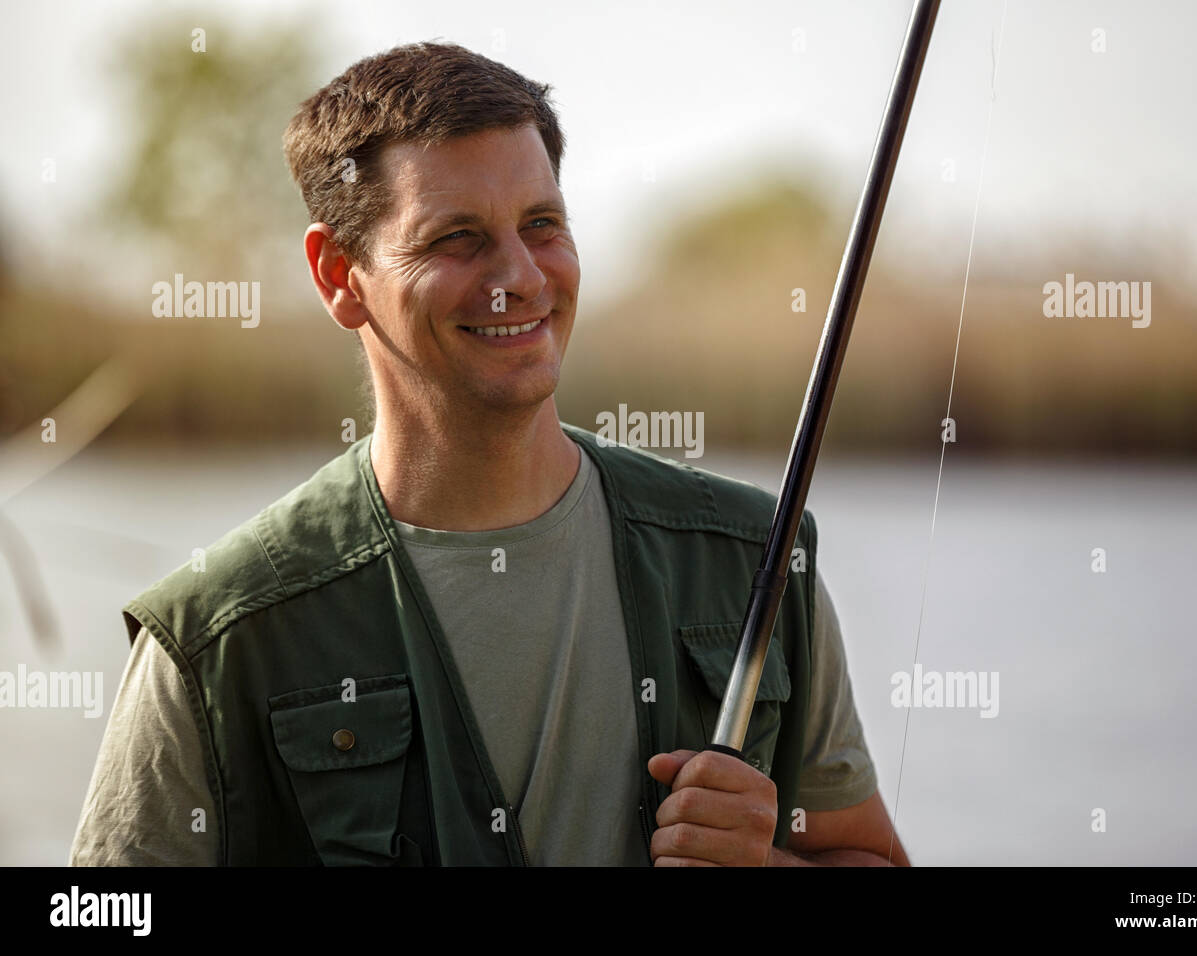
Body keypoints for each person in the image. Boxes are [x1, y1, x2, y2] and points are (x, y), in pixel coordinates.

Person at [69, 41, 908, 867]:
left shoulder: (753, 555)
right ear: (337, 275)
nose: (521, 277)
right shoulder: (218, 635)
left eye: (542, 225)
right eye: (455, 239)